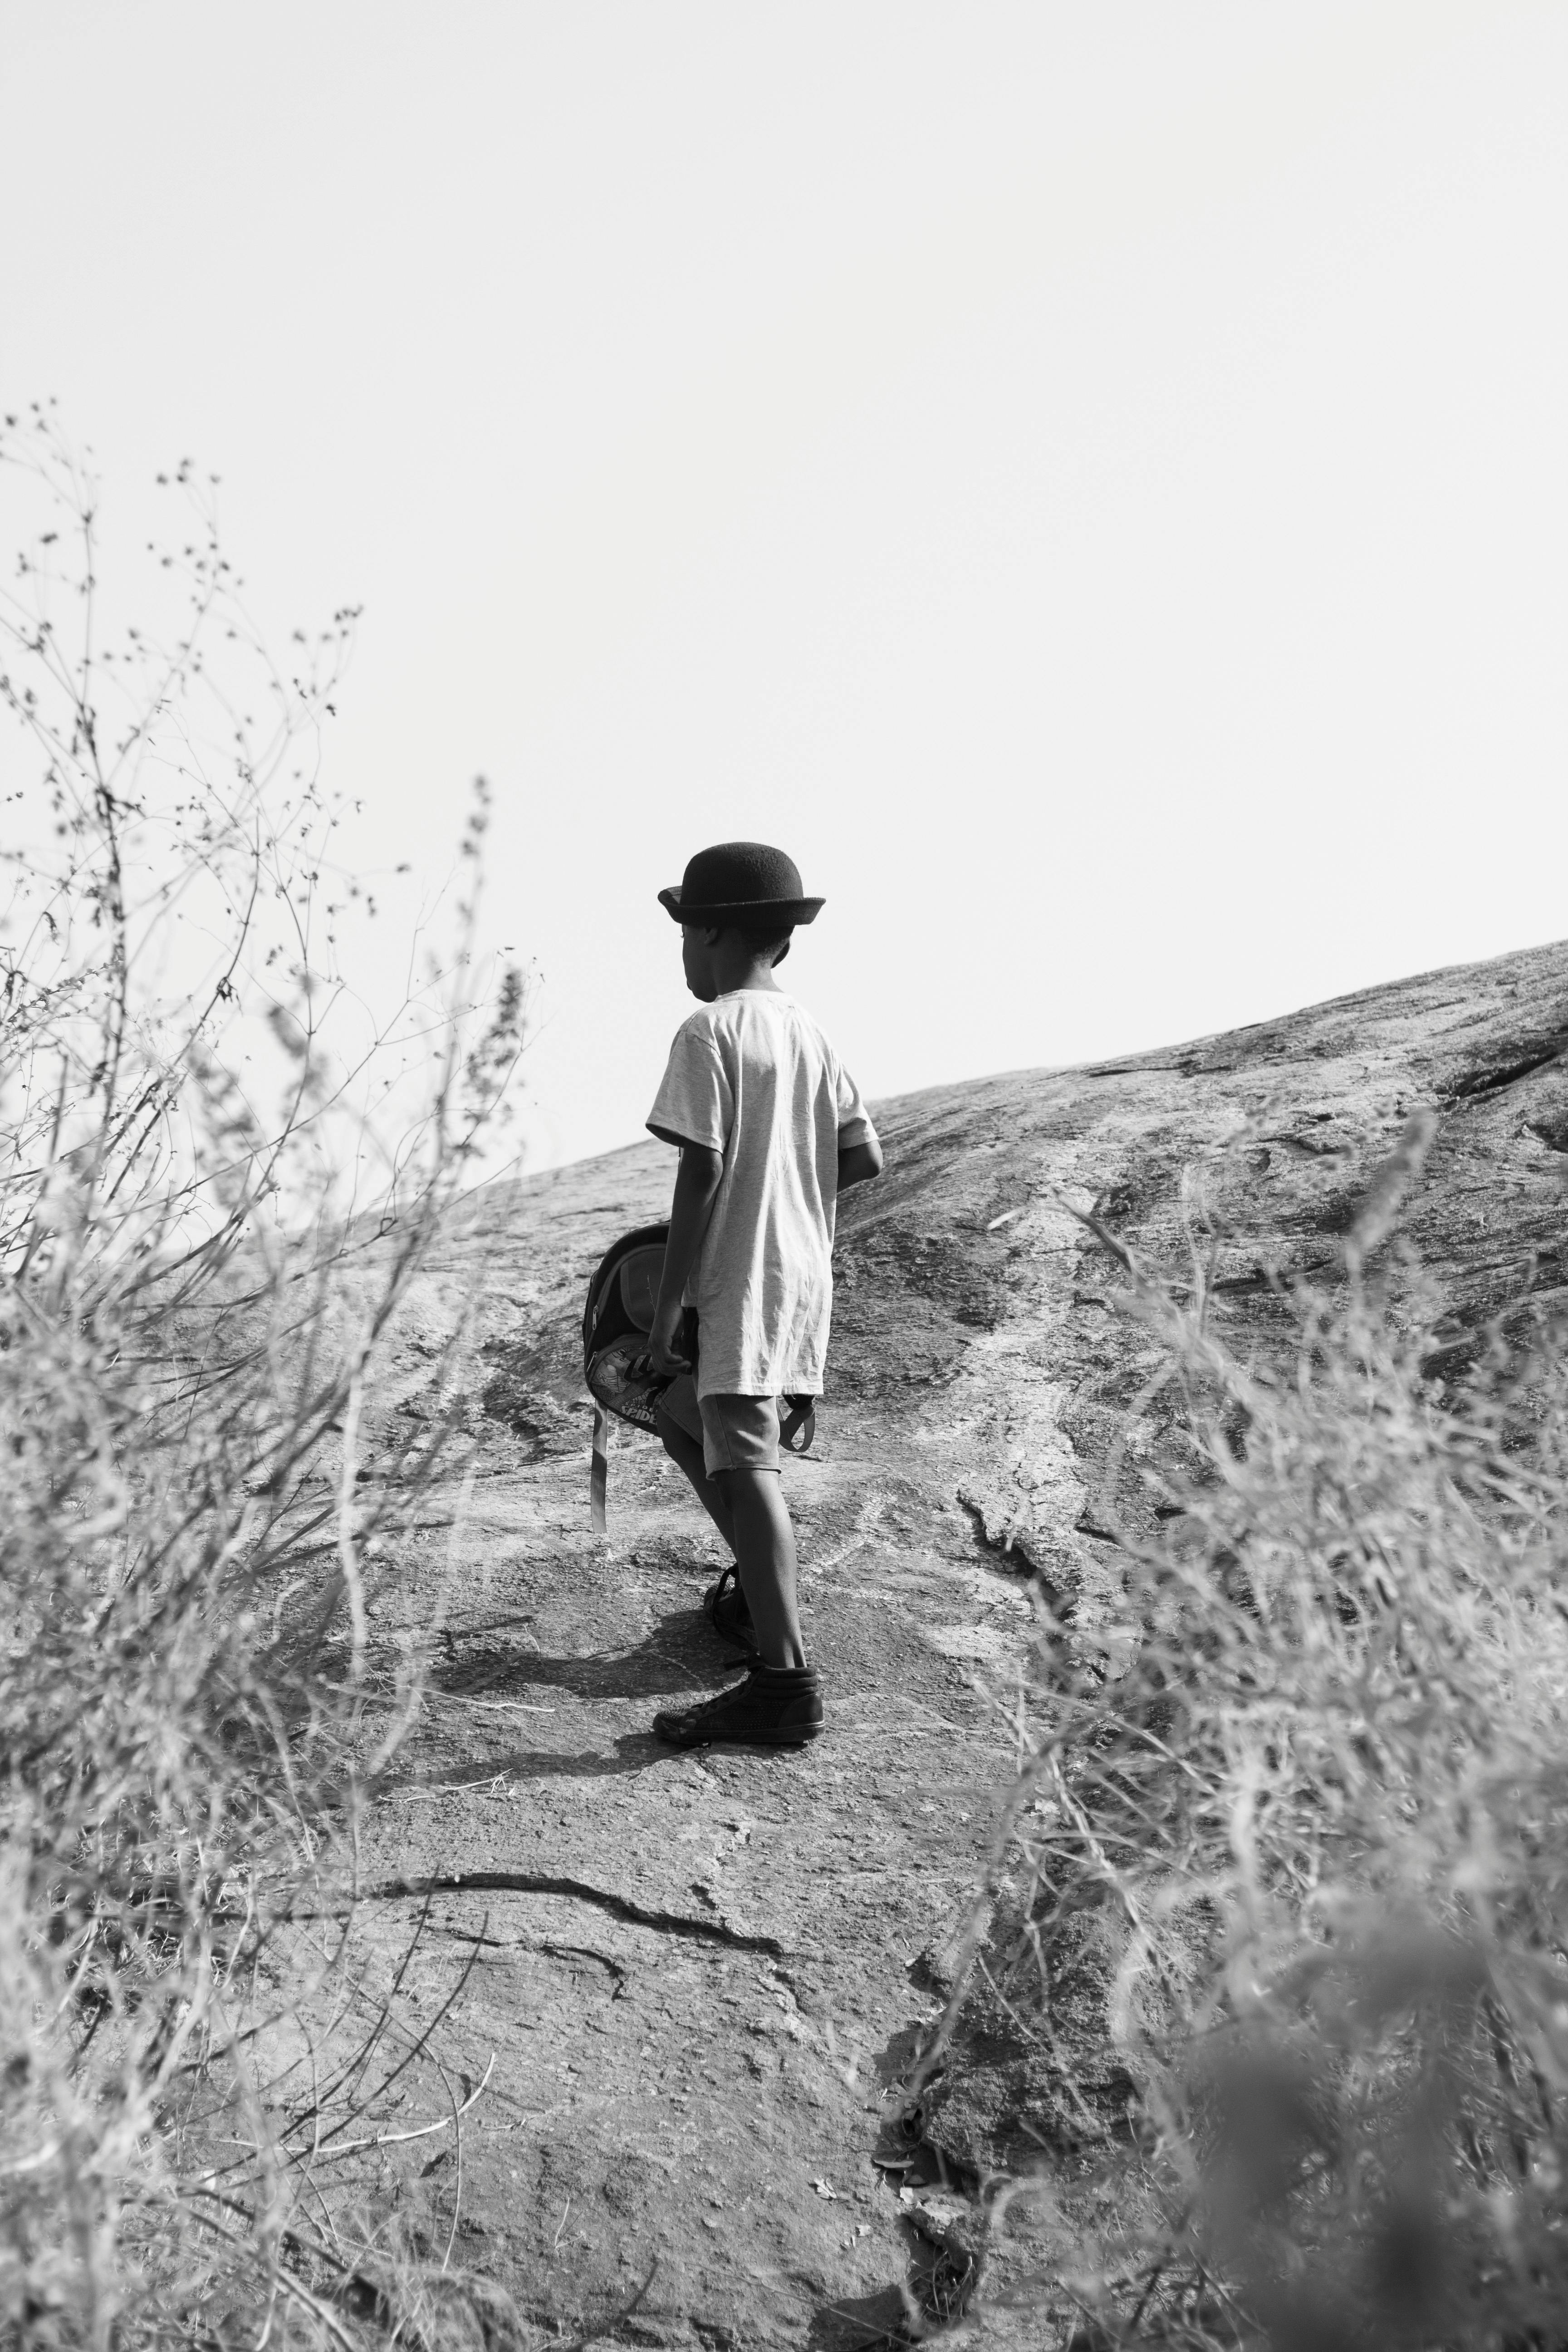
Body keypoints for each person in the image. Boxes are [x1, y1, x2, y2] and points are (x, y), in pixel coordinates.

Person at [643, 840, 883, 1750]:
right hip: (798, 1272)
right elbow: (862, 1157)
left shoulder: (710, 1031)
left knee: (746, 1464)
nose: (682, 952)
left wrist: (669, 1306)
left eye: (683, 933)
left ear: (710, 934)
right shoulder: (809, 1032)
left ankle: (784, 1684)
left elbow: (701, 1169)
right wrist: (788, 1199)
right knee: (680, 1417)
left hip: (739, 1277)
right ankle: (758, 1591)